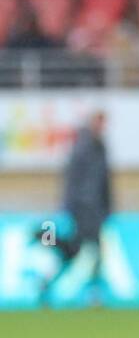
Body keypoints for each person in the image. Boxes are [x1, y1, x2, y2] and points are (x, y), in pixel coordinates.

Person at [34, 110, 112, 303]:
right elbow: (75, 181)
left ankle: (49, 284)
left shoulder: (97, 146)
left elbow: (104, 183)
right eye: (101, 122)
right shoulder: (84, 147)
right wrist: (72, 206)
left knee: (77, 251)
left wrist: (107, 207)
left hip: (93, 210)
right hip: (83, 210)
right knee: (89, 250)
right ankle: (93, 293)